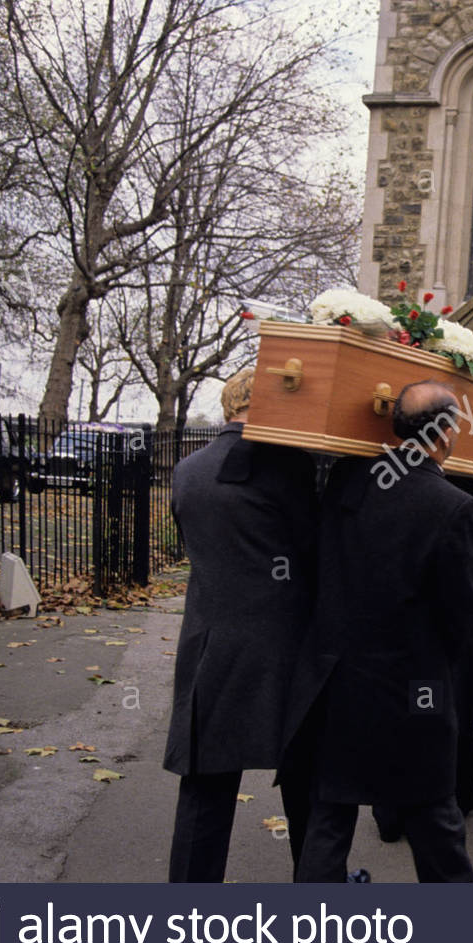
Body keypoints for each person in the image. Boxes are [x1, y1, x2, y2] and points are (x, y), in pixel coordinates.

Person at [289, 380, 473, 883]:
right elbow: (461, 613)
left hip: (337, 677)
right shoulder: (453, 506)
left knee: (330, 815)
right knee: (434, 820)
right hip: (412, 688)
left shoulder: (347, 482)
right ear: (443, 434)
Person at [163, 368, 317, 883]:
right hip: (285, 645)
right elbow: (313, 549)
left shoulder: (187, 469)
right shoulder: (291, 465)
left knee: (206, 783)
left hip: (211, 641)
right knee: (305, 783)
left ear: (228, 409)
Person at [372, 473, 473, 843]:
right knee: (452, 722)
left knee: (393, 722)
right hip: (439, 637)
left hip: (387, 628)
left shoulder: (381, 481)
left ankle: (389, 814)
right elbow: (471, 572)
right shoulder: (465, 492)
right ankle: (456, 798)